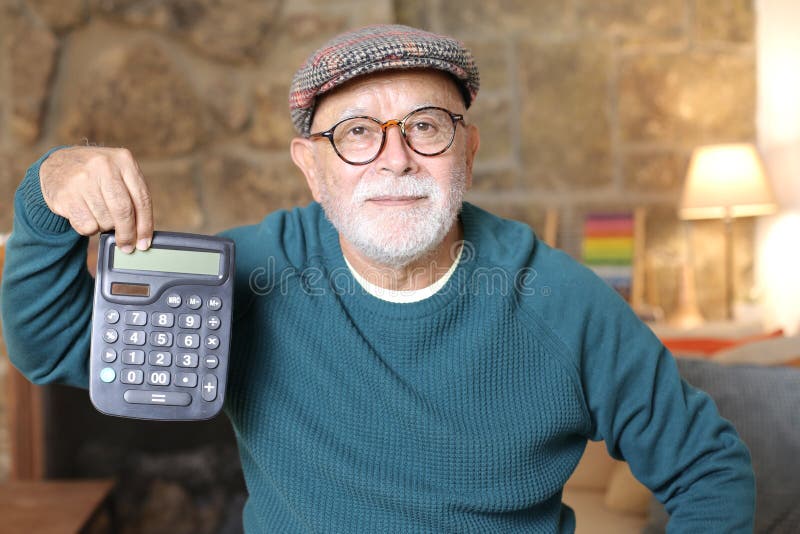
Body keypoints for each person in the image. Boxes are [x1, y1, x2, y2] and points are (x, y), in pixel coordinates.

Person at [1, 24, 754, 532]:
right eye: (357, 131)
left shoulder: (562, 302)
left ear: (467, 149)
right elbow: (50, 346)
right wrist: (47, 193)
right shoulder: (250, 276)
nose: (395, 159)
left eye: (426, 126)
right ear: (312, 166)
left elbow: (709, 467)